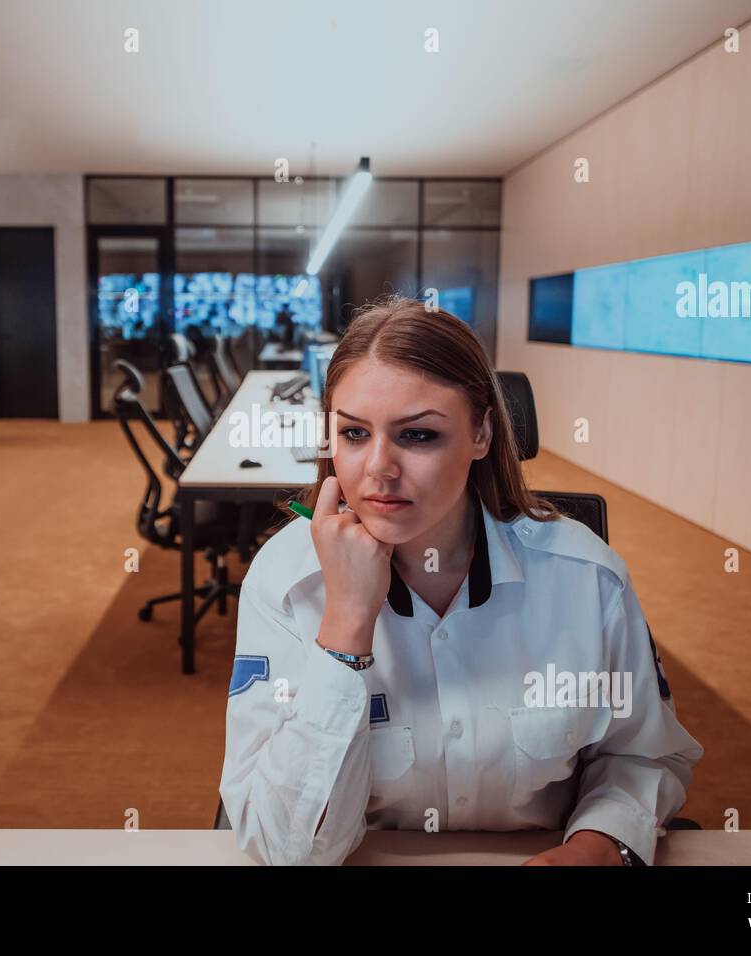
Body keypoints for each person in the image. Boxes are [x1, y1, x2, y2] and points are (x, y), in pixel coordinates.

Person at [218, 295, 703, 865]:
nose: (378, 468)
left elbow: (642, 756)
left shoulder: (586, 578)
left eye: (418, 435)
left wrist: (600, 846)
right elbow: (284, 850)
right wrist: (344, 627)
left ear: (482, 435)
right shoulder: (286, 581)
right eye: (353, 434)